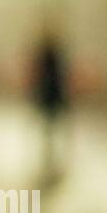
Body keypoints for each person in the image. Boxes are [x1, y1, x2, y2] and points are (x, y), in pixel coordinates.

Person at [32, 34, 68, 185]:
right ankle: (50, 155)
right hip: (50, 96)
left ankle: (53, 155)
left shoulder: (53, 56)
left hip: (52, 96)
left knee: (52, 127)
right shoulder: (49, 56)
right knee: (50, 127)